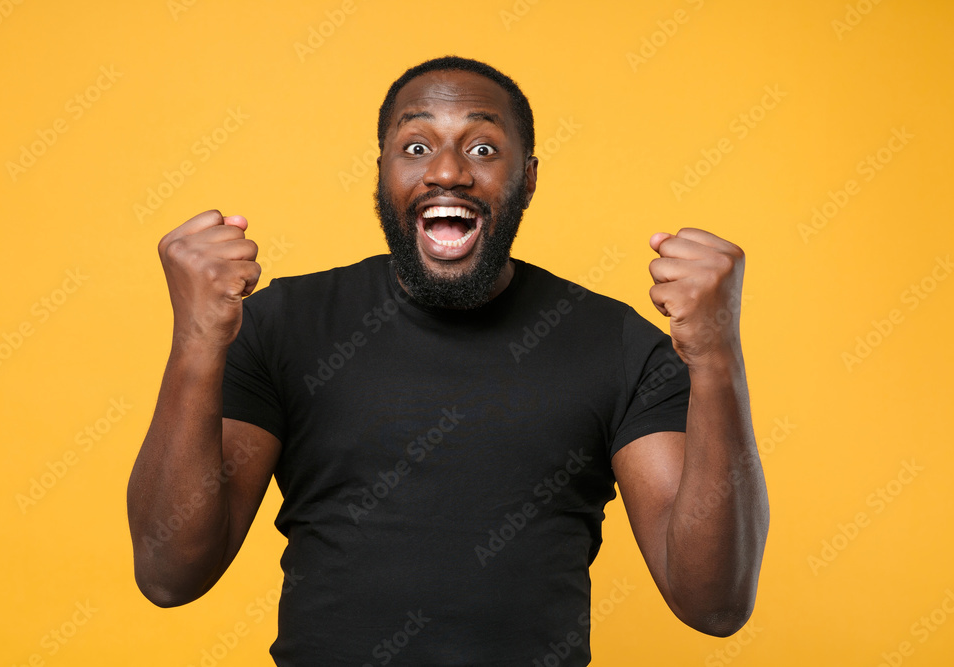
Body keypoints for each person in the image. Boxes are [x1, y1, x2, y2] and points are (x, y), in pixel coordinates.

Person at [127, 56, 769, 666]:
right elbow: (169, 574)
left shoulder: (619, 346)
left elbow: (713, 602)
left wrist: (716, 358)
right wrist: (195, 343)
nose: (448, 172)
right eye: (415, 147)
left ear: (530, 178)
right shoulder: (279, 327)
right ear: (382, 171)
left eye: (484, 148)